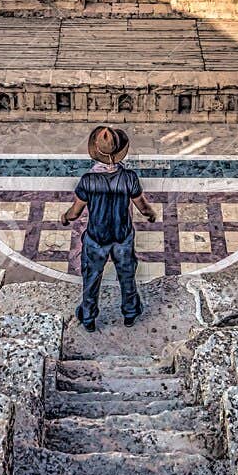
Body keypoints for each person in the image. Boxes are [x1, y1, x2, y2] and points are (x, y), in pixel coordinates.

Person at [60, 126, 157, 331]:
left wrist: (65, 218)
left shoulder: (88, 181)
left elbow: (75, 212)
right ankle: (130, 313)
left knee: (92, 278)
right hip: (122, 236)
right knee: (127, 276)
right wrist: (150, 215)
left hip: (96, 238)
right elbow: (142, 206)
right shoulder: (129, 178)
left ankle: (88, 317)